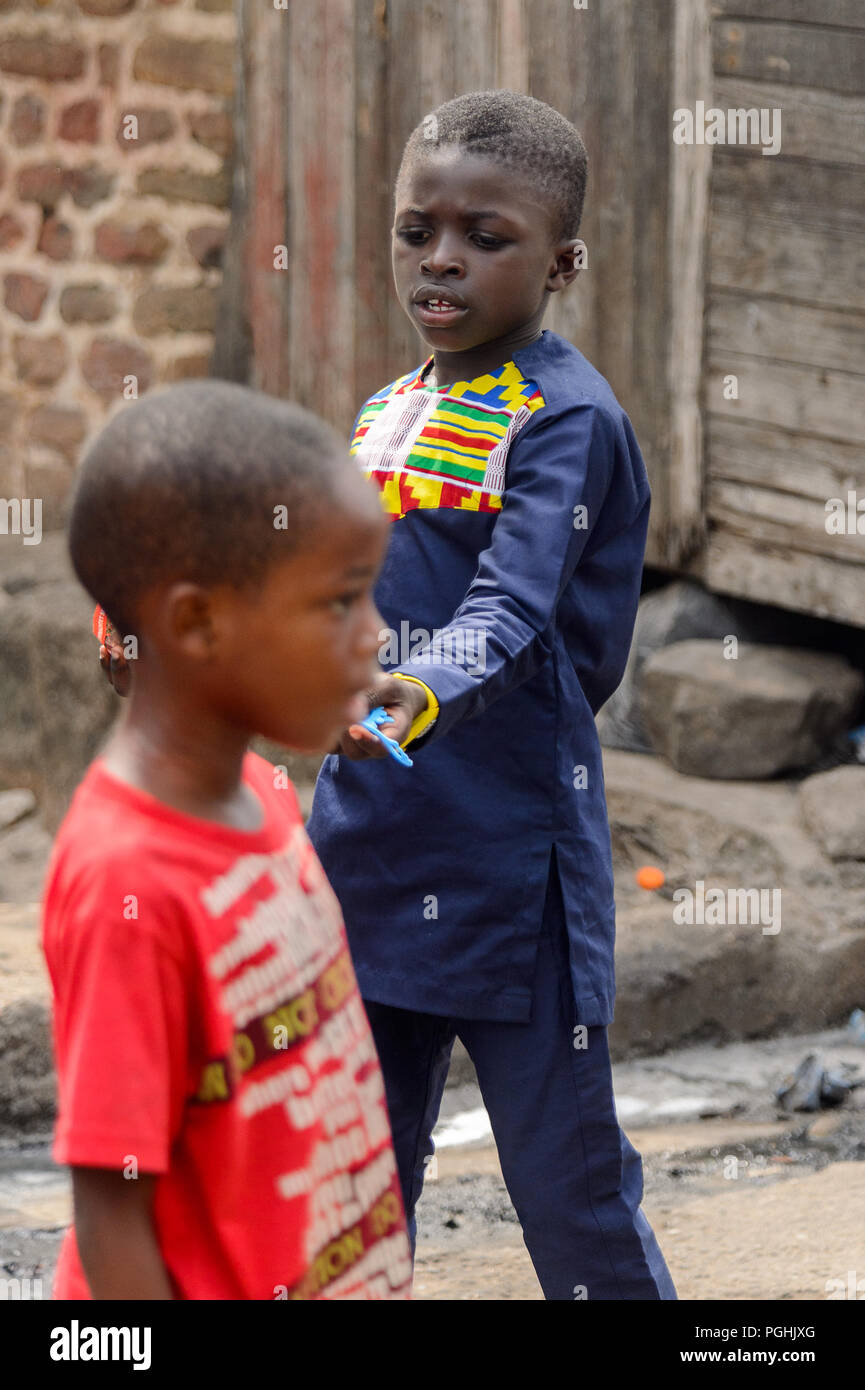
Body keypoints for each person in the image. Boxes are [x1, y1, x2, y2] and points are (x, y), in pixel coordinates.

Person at [306, 90, 678, 1300]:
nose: (442, 259)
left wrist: (417, 693)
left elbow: (512, 611)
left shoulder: (563, 416)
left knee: (569, 1198)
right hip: (368, 849)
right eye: (418, 230)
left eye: (485, 234)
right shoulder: (385, 411)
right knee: (354, 1197)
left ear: (562, 260)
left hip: (511, 864)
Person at [44, 381, 413, 1300]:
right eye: (339, 603)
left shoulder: (261, 793)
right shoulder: (127, 883)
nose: (376, 637)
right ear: (198, 623)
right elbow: (112, 1214)